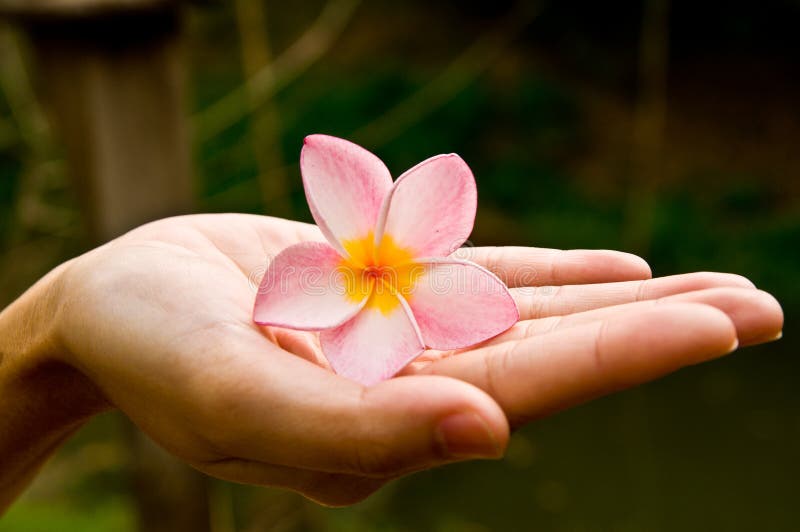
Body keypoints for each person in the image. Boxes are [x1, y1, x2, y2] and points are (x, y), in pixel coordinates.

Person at [0, 213, 783, 510]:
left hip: (390, 278)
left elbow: (460, 288)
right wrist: (54, 337)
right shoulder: (316, 275)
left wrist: (47, 350)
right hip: (364, 285)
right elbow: (292, 300)